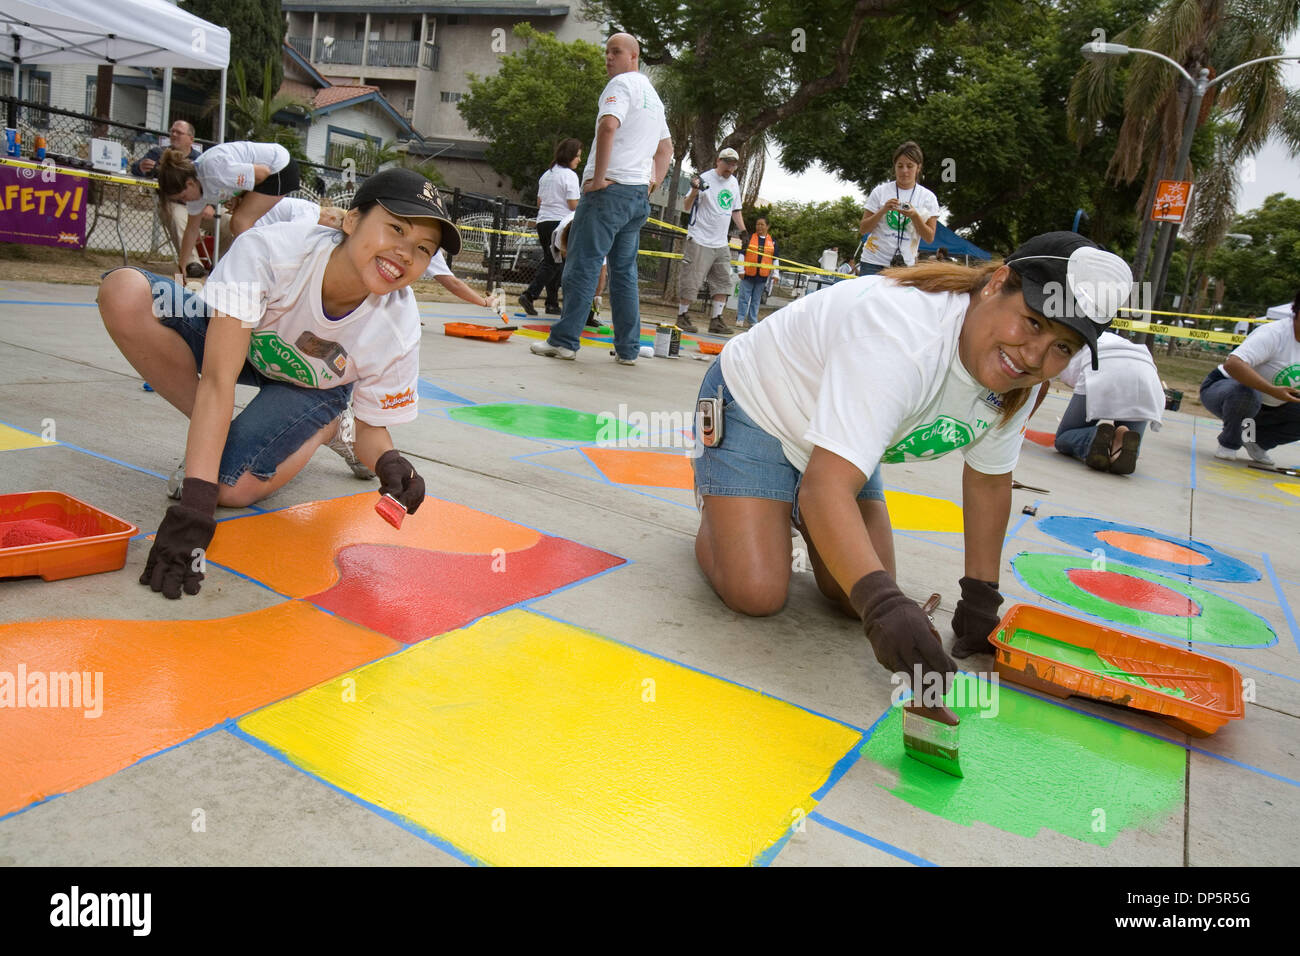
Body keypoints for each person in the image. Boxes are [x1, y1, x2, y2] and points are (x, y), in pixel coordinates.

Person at [691, 232, 1132, 685]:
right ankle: (721, 496)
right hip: (760, 406)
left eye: (1063, 347)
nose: (1035, 356)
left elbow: (989, 480)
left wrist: (980, 600)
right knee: (757, 591)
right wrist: (884, 609)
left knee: (850, 598)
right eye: (1034, 323)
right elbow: (827, 486)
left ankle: (780, 507)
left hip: (839, 446)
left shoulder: (1023, 377)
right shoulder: (902, 332)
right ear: (999, 283)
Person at [96, 168, 459, 600]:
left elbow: (372, 429)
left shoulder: (397, 326)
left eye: (422, 248)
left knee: (231, 489)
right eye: (395, 228)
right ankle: (222, 442)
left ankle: (325, 427)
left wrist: (389, 463)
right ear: (351, 219)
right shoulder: (272, 252)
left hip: (312, 385)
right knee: (124, 292)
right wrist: (194, 506)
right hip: (242, 345)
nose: (404, 253)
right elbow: (217, 379)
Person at [530, 33, 672, 366]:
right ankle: (628, 349)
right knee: (624, 272)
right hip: (636, 196)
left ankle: (564, 342)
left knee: (583, 265)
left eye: (616, 51)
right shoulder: (653, 97)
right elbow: (666, 150)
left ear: (633, 56)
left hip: (608, 193)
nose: (608, 57)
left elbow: (608, 126)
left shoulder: (620, 86)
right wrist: (650, 184)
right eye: (606, 52)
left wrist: (597, 177)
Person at [157, 141, 302, 278]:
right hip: (268, 172)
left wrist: (239, 195)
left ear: (189, 183)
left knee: (240, 222)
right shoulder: (194, 188)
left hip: (280, 168)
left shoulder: (215, 170)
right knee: (242, 224)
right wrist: (181, 268)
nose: (184, 202)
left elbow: (262, 173)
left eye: (183, 197)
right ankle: (269, 267)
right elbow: (191, 229)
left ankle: (265, 274)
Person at [1201, 290, 1300, 465]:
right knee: (1247, 394)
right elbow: (1233, 364)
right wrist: (1271, 390)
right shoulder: (1275, 333)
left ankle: (1257, 441)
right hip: (1224, 389)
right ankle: (1229, 444)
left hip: (1270, 406)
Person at [1051, 331, 1164, 475]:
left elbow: (1040, 387)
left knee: (1063, 438)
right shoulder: (1108, 337)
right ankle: (1118, 443)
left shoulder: (1062, 343)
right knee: (1129, 443)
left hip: (1103, 366)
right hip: (1145, 374)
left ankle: (1095, 437)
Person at [132, 120, 221, 278]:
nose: (173, 135)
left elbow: (211, 184)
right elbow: (136, 168)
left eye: (179, 132)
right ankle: (192, 265)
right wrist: (140, 167)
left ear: (191, 139)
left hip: (201, 203)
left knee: (228, 221)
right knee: (178, 216)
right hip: (175, 204)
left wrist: (211, 205)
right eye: (172, 131)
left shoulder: (200, 159)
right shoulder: (158, 153)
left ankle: (224, 264)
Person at [675, 148, 747, 336]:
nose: (730, 168)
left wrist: (744, 231)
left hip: (720, 241)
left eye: (733, 164)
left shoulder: (733, 183)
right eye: (727, 163)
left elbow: (735, 210)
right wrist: (695, 191)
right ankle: (682, 315)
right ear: (718, 161)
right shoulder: (705, 179)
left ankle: (716, 319)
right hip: (700, 238)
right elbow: (686, 205)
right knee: (692, 279)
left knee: (723, 280)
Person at [518, 138, 582, 317]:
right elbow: (572, 204)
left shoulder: (547, 174)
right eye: (577, 156)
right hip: (559, 224)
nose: (579, 160)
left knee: (555, 262)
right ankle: (530, 295)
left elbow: (540, 201)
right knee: (553, 262)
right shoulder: (569, 175)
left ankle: (552, 303)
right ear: (569, 156)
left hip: (543, 221)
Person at [856, 142, 940, 276]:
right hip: (873, 262)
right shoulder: (880, 191)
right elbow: (863, 229)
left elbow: (929, 238)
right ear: (894, 167)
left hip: (904, 265)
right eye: (900, 166)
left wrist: (914, 216)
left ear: (918, 167)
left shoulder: (928, 197)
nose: (904, 171)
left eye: (910, 166)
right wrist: (883, 210)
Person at [736, 217, 777, 328]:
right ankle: (740, 318)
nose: (759, 227)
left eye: (762, 224)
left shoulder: (772, 242)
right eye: (757, 224)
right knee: (744, 297)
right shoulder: (749, 238)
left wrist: (776, 274)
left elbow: (775, 259)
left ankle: (753, 320)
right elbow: (742, 254)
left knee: (756, 299)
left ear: (767, 226)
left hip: (762, 276)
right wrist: (740, 269)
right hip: (748, 274)